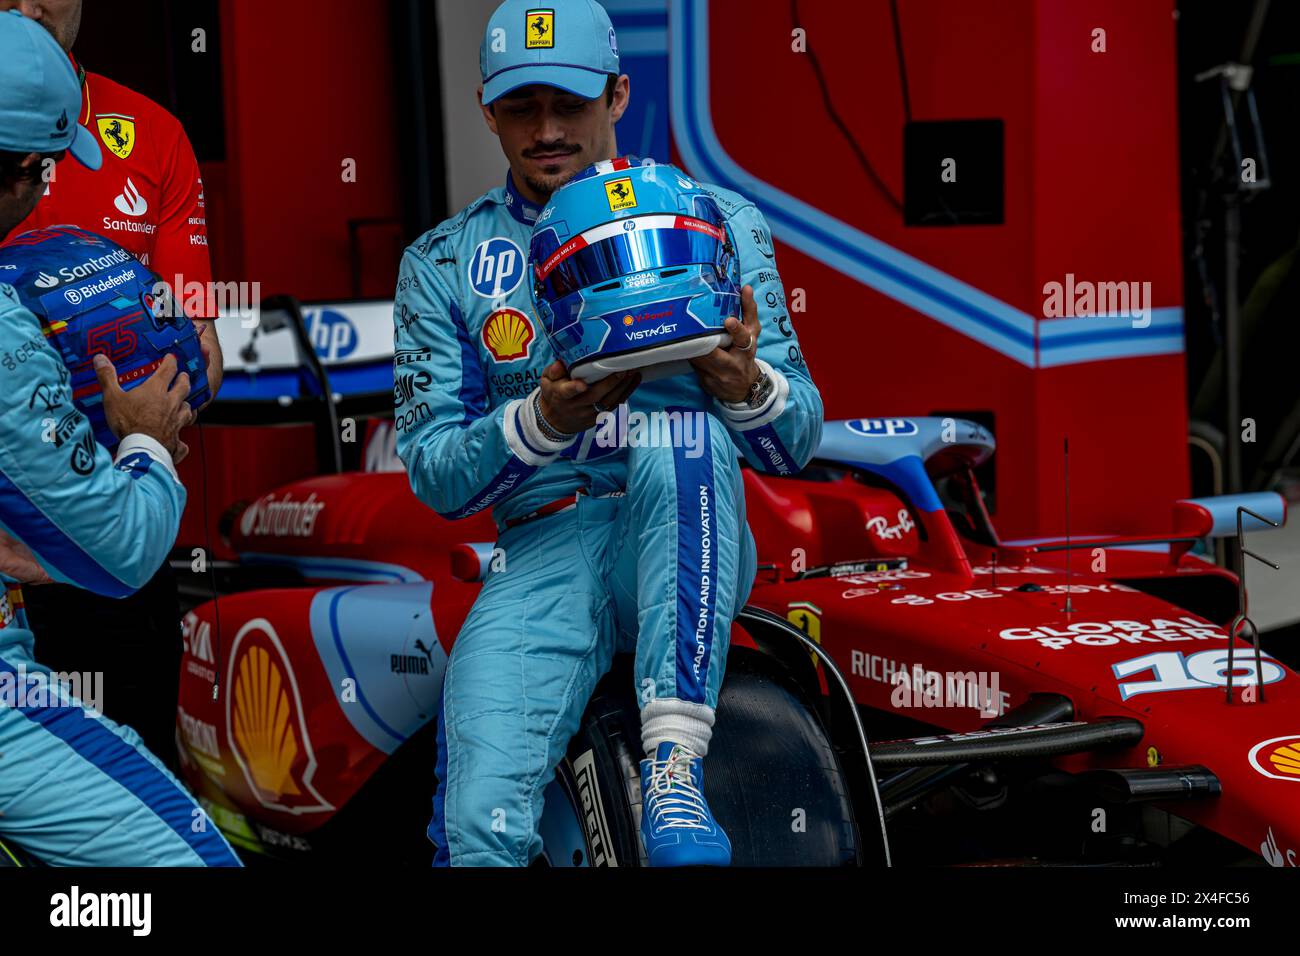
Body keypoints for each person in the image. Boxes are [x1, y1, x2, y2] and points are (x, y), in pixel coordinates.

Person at [395, 0, 822, 866]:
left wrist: (746, 386)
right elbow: (436, 476)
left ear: (618, 95)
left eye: (571, 103)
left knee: (682, 441)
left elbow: (797, 439)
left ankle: (674, 772)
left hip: (685, 525)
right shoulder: (441, 261)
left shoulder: (718, 219)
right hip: (541, 553)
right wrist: (541, 422)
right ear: (485, 109)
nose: (548, 130)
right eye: (521, 107)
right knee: (475, 823)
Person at [0, 8, 239, 865]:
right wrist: (140, 438)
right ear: (25, 171)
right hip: (96, 526)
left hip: (82, 538)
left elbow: (196, 345)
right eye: (45, 167)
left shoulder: (153, 133)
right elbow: (124, 544)